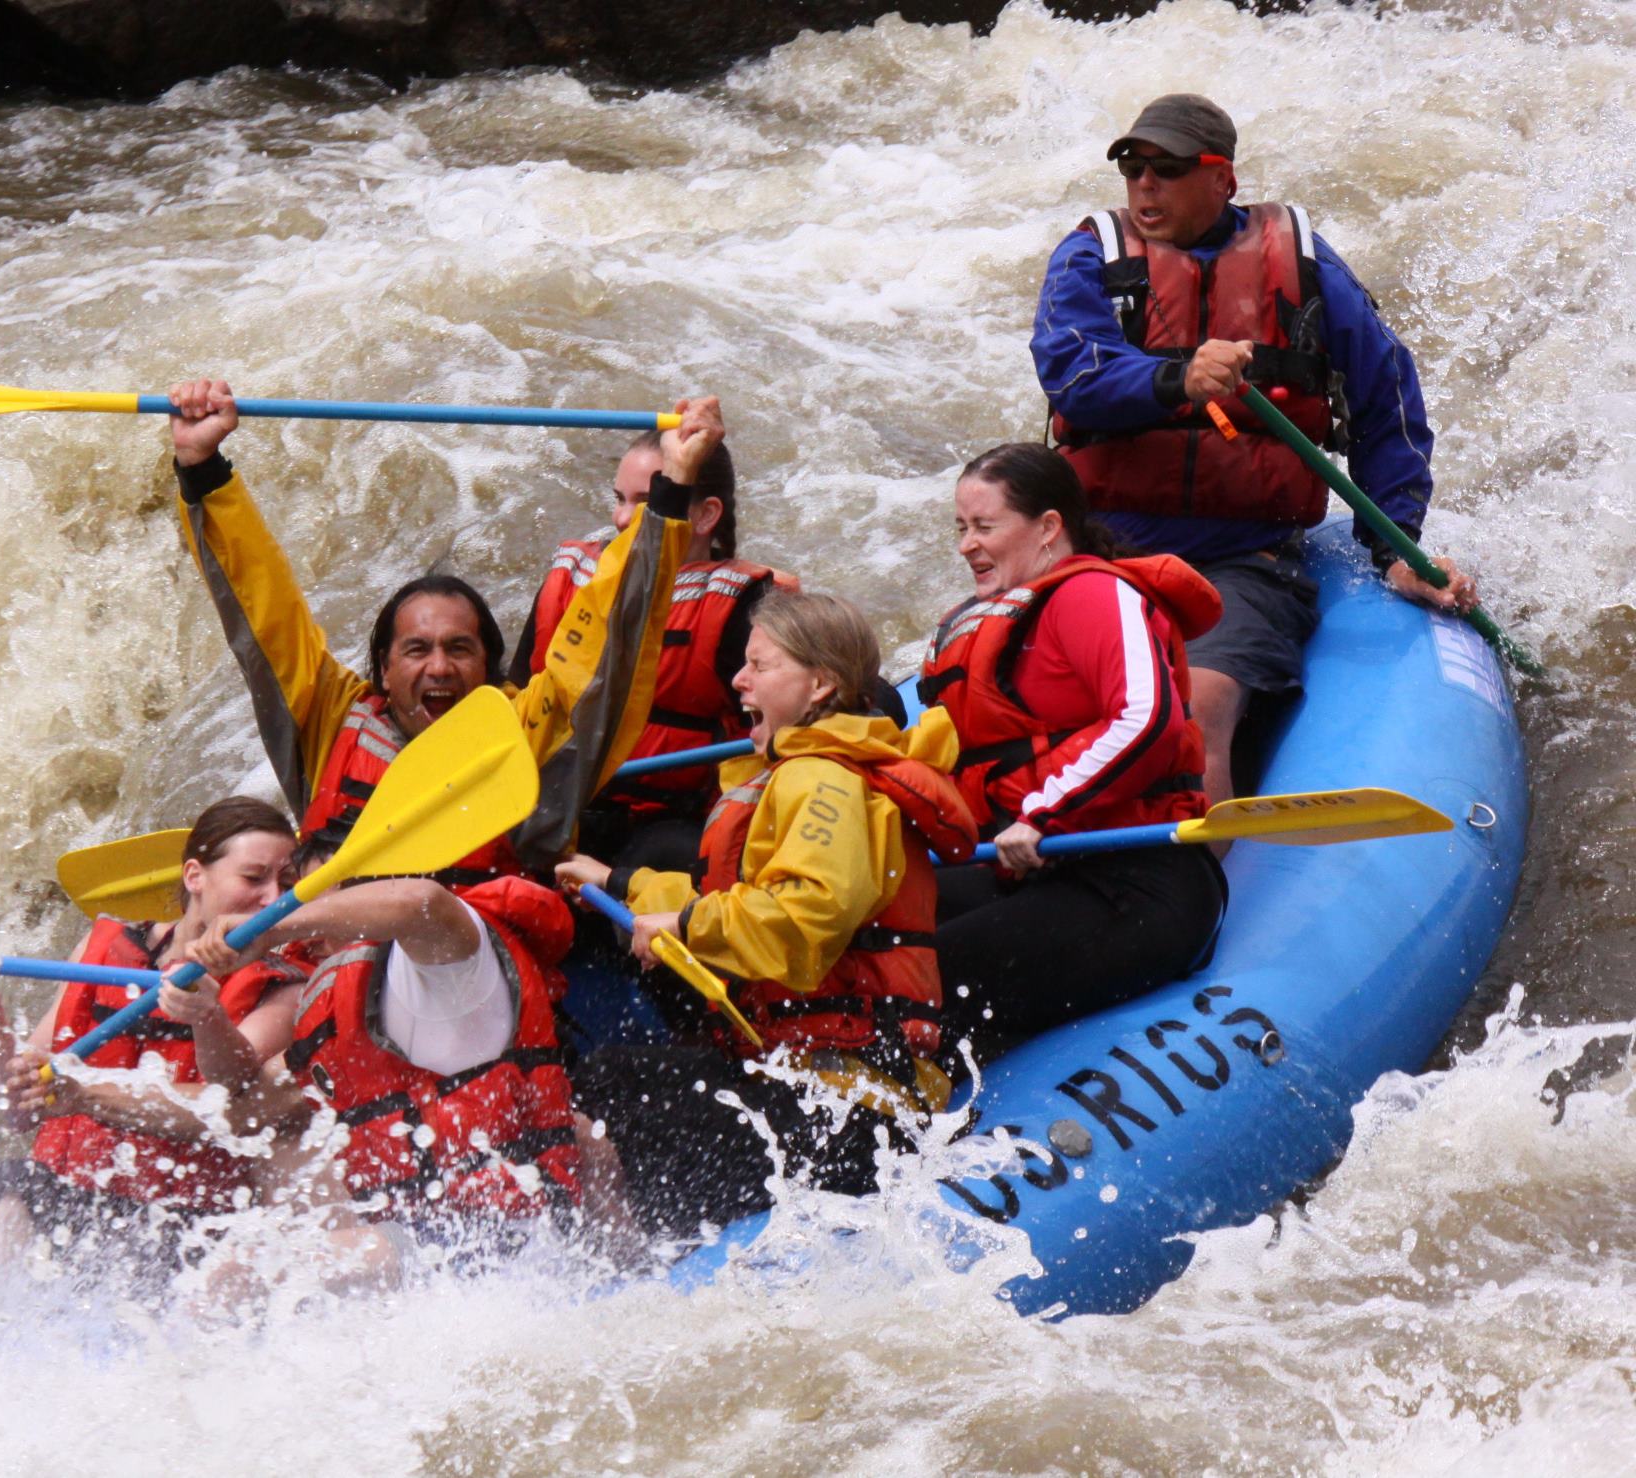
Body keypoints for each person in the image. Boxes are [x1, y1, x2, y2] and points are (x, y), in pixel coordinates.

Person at [1031, 93, 1479, 810]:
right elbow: (1073, 377)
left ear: (1223, 179)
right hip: (1103, 553)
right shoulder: (1092, 257)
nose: (1145, 184)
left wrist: (1394, 546)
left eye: (1167, 168)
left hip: (1240, 560)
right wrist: (1177, 378)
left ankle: (1194, 875)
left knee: (1196, 709)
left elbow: (1386, 397)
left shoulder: (1301, 263)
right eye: (1132, 168)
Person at [556, 591, 976, 1238]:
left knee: (624, 1099)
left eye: (760, 664)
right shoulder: (800, 773)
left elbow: (805, 918)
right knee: (612, 1078)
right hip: (802, 1079)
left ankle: (638, 1262)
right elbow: (728, 894)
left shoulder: (824, 779)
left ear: (820, 685)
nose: (738, 679)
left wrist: (686, 927)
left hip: (853, 1108)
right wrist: (619, 882)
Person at [167, 379, 712, 871]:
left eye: (459, 648)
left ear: (488, 667)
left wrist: (672, 487)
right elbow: (265, 611)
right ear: (384, 670)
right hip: (326, 934)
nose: (440, 667)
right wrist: (202, 465)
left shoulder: (523, 733)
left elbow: (606, 644)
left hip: (460, 944)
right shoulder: (327, 716)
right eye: (416, 649)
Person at [182, 840, 625, 1268]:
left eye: (314, 904)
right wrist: (206, 1016)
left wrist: (273, 929)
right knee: (273, 1191)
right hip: (443, 1249)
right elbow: (246, 1108)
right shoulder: (341, 1005)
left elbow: (421, 903)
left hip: (510, 1241)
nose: (302, 926)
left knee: (244, 1269)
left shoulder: (453, 970)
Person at [917, 444, 1227, 1044]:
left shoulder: (1093, 594)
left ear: (1048, 527)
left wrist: (1043, 813)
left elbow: (1149, 720)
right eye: (961, 528)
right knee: (876, 933)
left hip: (1137, 880)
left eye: (984, 527)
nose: (966, 545)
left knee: (928, 977)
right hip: (1030, 870)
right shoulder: (990, 620)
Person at [0, 797, 311, 1282]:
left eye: (286, 883)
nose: (272, 898)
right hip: (73, 1208)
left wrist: (207, 1016)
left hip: (192, 1231)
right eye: (254, 878)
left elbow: (230, 1094)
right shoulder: (101, 950)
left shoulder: (286, 987)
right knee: (12, 1183)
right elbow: (17, 1109)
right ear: (194, 876)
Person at [509, 425, 791, 872]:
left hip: (670, 825)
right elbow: (514, 697)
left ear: (706, 515)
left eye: (644, 502)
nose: (622, 519)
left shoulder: (745, 606)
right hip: (557, 809)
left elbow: (783, 734)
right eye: (618, 499)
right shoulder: (569, 577)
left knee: (664, 855)